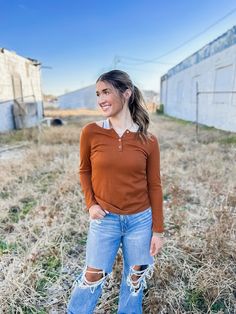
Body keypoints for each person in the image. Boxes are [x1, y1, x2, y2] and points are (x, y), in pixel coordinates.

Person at [67, 70, 165, 314]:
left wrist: (158, 230)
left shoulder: (148, 140)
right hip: (105, 219)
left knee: (135, 278)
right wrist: (91, 204)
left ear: (127, 93)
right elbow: (84, 170)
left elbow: (155, 185)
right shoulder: (91, 131)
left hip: (140, 220)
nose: (101, 99)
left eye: (106, 91)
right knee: (92, 276)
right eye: (98, 94)